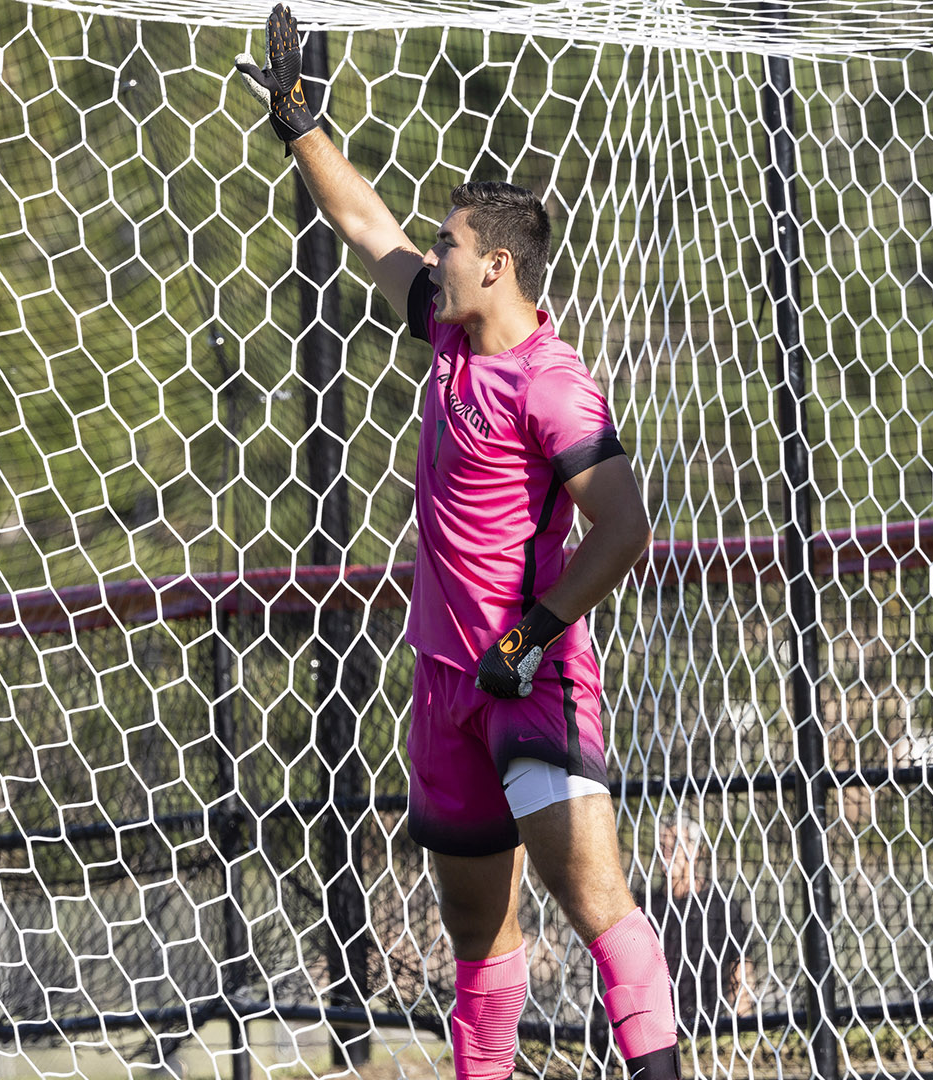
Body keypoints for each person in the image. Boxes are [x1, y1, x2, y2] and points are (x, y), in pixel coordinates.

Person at [234, 10, 678, 1080]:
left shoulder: (553, 382)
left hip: (531, 676)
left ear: (497, 270)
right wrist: (302, 128)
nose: (432, 254)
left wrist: (532, 633)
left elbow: (622, 526)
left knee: (599, 905)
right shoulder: (444, 326)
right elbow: (368, 229)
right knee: (478, 943)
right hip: (444, 684)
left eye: (451, 244)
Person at [643, 815, 755, 1024]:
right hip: (659, 1022)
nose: (666, 850)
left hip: (710, 1022)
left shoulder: (721, 907)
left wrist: (742, 1024)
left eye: (675, 843)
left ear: (696, 851)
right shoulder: (646, 907)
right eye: (662, 844)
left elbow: (740, 969)